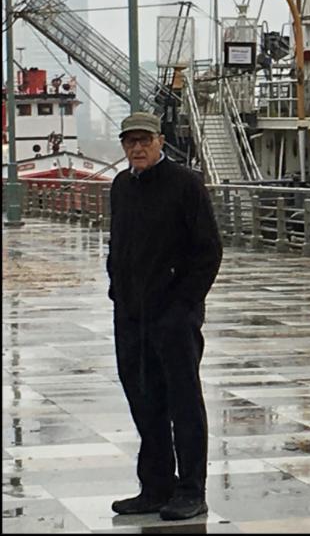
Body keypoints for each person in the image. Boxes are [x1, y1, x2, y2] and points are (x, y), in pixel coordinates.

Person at [107, 112, 223, 521]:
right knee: (144, 400)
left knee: (183, 403)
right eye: (130, 142)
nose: (137, 148)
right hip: (131, 317)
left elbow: (208, 251)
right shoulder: (121, 186)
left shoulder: (186, 184)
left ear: (160, 142)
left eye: (144, 141)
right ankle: (155, 486)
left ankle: (192, 490)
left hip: (173, 317)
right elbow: (117, 242)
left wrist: (182, 307)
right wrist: (116, 293)